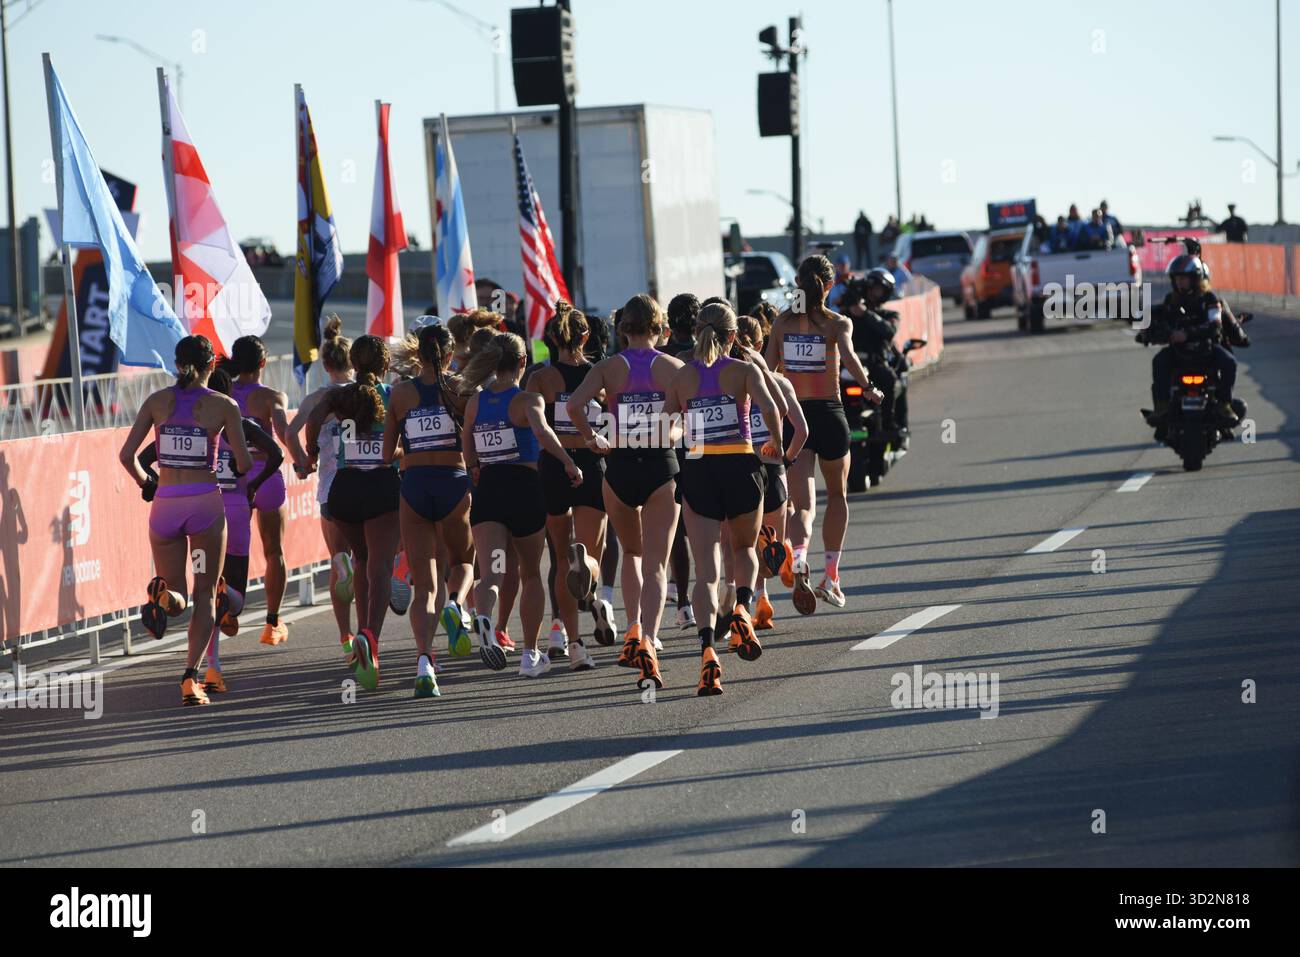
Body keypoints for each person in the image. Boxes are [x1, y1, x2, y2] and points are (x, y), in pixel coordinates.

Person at [118, 335, 253, 707]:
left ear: (178, 364)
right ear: (213, 365)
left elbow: (127, 455)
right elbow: (243, 464)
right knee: (205, 594)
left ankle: (163, 596)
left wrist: (148, 482)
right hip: (204, 512)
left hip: (165, 510)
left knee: (177, 596)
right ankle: (190, 677)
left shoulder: (157, 401)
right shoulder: (223, 405)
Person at [139, 364, 283, 694]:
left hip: (184, 506)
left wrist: (158, 481)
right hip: (228, 517)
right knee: (228, 599)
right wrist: (253, 485)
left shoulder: (184, 423)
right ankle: (217, 640)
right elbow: (275, 454)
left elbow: (145, 456)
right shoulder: (239, 424)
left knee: (201, 595)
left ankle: (212, 668)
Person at [663, 303, 784, 695]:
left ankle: (707, 654)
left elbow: (667, 429)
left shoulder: (683, 376)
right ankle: (743, 611)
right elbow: (772, 410)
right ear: (734, 336)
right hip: (742, 466)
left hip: (699, 470)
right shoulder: (745, 370)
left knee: (706, 569)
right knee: (745, 547)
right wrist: (775, 445)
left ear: (697, 331)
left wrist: (688, 433)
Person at [567, 294, 683, 690]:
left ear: (623, 329)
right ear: (659, 328)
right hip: (658, 464)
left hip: (618, 465)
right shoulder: (672, 367)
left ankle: (633, 628)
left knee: (631, 553)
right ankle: (648, 639)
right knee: (655, 564)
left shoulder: (606, 368)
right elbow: (689, 416)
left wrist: (592, 438)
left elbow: (574, 406)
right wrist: (674, 429)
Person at [461, 330, 584, 677]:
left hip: (489, 491)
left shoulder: (475, 402)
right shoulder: (528, 401)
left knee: (494, 569)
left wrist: (473, 468)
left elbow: (466, 440)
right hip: (524, 490)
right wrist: (568, 462)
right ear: (522, 363)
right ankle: (530, 655)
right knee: (530, 573)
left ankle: (484, 617)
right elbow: (544, 434)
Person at [764, 255, 883, 613]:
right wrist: (869, 388)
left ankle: (799, 555)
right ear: (830, 286)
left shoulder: (782, 322)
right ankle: (831, 576)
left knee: (802, 504)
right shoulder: (837, 323)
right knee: (837, 495)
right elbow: (849, 359)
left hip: (794, 417)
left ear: (797, 283)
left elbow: (767, 370)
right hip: (830, 415)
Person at [381, 322, 478, 696]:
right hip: (454, 483)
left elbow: (389, 454)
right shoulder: (463, 390)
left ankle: (424, 662)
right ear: (451, 355)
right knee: (463, 563)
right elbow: (474, 446)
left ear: (416, 354)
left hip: (415, 487)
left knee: (423, 585)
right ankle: (456, 604)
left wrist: (417, 442)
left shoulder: (400, 394)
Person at [303, 335, 401, 690]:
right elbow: (403, 439)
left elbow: (313, 421)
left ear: (354, 364)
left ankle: (361, 635)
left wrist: (312, 455)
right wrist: (394, 451)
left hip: (343, 488)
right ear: (385, 365)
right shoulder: (392, 394)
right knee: (381, 566)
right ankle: (370, 636)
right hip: (380, 486)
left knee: (360, 560)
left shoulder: (337, 396)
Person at [526, 301, 612, 667]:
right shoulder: (599, 375)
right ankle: (592, 582)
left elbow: (538, 429)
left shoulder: (539, 379)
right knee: (593, 552)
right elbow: (611, 422)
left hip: (553, 467)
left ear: (551, 339)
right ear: (586, 336)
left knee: (561, 561)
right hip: (591, 464)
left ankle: (574, 644)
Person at [286, 316, 356, 661]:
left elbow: (289, 431)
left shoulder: (317, 398)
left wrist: (303, 461)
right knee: (371, 561)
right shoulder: (367, 393)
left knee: (337, 560)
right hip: (367, 483)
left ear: (326, 365)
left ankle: (345, 636)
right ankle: (368, 632)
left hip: (330, 489)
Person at [736, 311, 806, 633]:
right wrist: (788, 459)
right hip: (775, 470)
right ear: (762, 344)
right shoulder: (779, 382)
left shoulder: (730, 382)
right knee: (771, 540)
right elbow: (802, 430)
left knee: (744, 546)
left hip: (742, 470)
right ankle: (786, 550)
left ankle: (756, 600)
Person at [227, 335, 291, 647]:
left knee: (227, 552)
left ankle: (228, 608)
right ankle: (272, 622)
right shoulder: (271, 396)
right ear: (263, 364)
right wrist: (305, 459)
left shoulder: (219, 393)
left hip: (231, 477)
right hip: (266, 476)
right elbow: (283, 432)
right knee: (274, 551)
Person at [1144, 253, 1238, 427]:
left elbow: (1215, 324)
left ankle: (1224, 404)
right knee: (1159, 361)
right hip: (1179, 352)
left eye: (1184, 278)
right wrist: (1148, 331)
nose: (1180, 282)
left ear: (1195, 278)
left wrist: (1187, 334)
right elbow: (1161, 322)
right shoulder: (1170, 300)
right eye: (1177, 278)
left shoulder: (1209, 299)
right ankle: (1162, 406)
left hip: (1206, 350)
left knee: (1229, 362)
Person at [664, 292, 700, 630]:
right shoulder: (705, 357)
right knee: (705, 527)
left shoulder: (661, 358)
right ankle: (710, 595)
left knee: (675, 531)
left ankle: (685, 602)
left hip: (669, 448)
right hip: (704, 447)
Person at [846, 269, 906, 440]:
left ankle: (889, 423)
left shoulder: (888, 315)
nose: (874, 292)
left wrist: (865, 314)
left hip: (874, 365)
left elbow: (889, 331)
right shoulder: (846, 314)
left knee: (891, 380)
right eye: (872, 288)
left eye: (879, 289)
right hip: (848, 366)